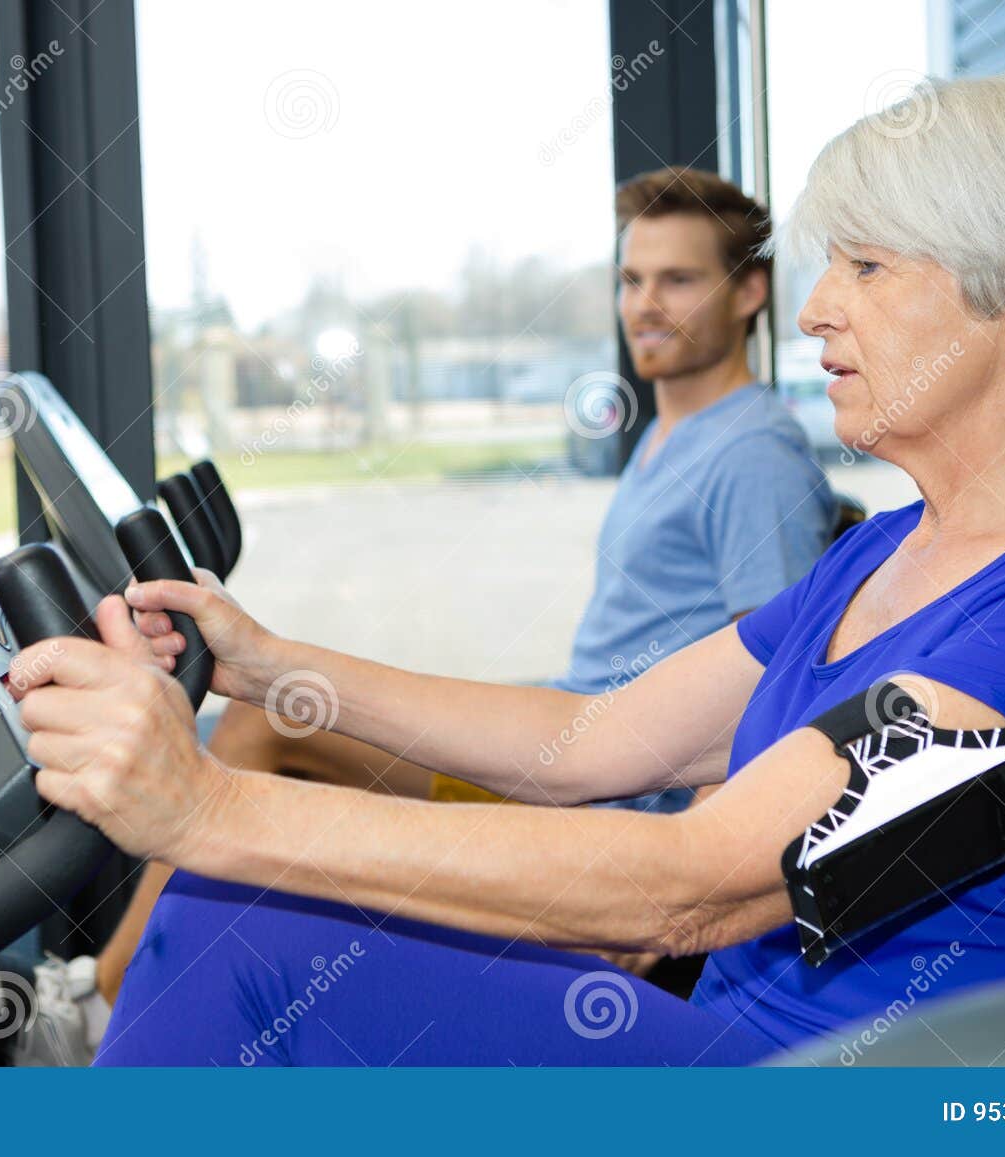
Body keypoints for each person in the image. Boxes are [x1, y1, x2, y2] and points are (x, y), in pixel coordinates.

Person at [10, 70, 1005, 1066]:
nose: (812, 310)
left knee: (235, 925)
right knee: (233, 911)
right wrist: (268, 665)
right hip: (723, 1046)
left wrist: (208, 807)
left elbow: (701, 886)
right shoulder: (885, 552)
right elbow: (588, 742)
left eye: (866, 266)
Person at [79, 167, 836, 1011]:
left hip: (604, 801)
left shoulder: (753, 455)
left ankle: (100, 1009)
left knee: (262, 725)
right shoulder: (673, 431)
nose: (645, 304)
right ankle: (143, 1000)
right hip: (567, 746)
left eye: (679, 280)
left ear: (749, 292)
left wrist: (675, 882)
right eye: (631, 279)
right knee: (272, 716)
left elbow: (778, 694)